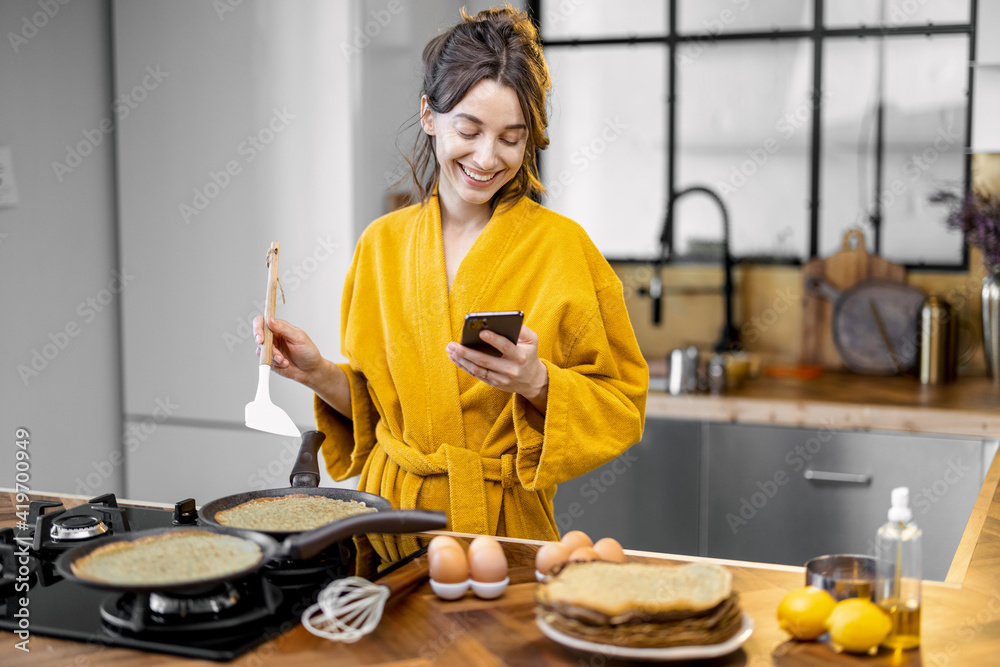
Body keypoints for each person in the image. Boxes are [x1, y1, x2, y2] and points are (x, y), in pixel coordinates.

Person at [254, 6, 647, 562]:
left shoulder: (563, 249)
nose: (488, 158)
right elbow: (379, 414)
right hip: (391, 527)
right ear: (429, 115)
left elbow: (621, 405)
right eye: (469, 129)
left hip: (504, 536)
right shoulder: (381, 246)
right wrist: (316, 373)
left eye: (512, 138)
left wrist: (536, 382)